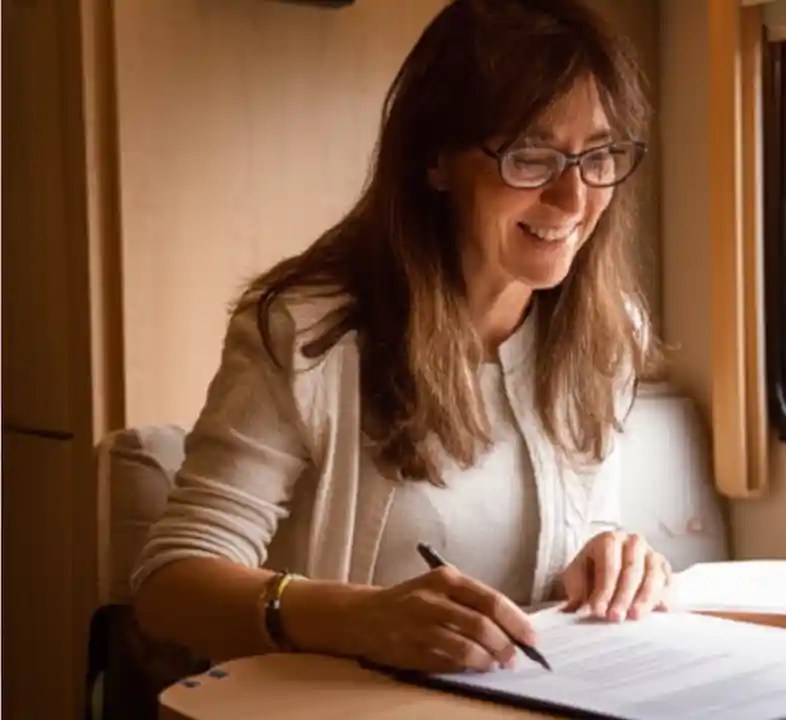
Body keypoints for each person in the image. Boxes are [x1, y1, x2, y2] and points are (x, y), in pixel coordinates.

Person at [131, 0, 672, 676]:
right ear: (435, 160)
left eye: (597, 155)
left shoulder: (607, 332)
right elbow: (170, 586)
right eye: (531, 158)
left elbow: (578, 521)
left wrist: (605, 556)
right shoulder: (305, 337)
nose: (574, 198)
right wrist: (359, 619)